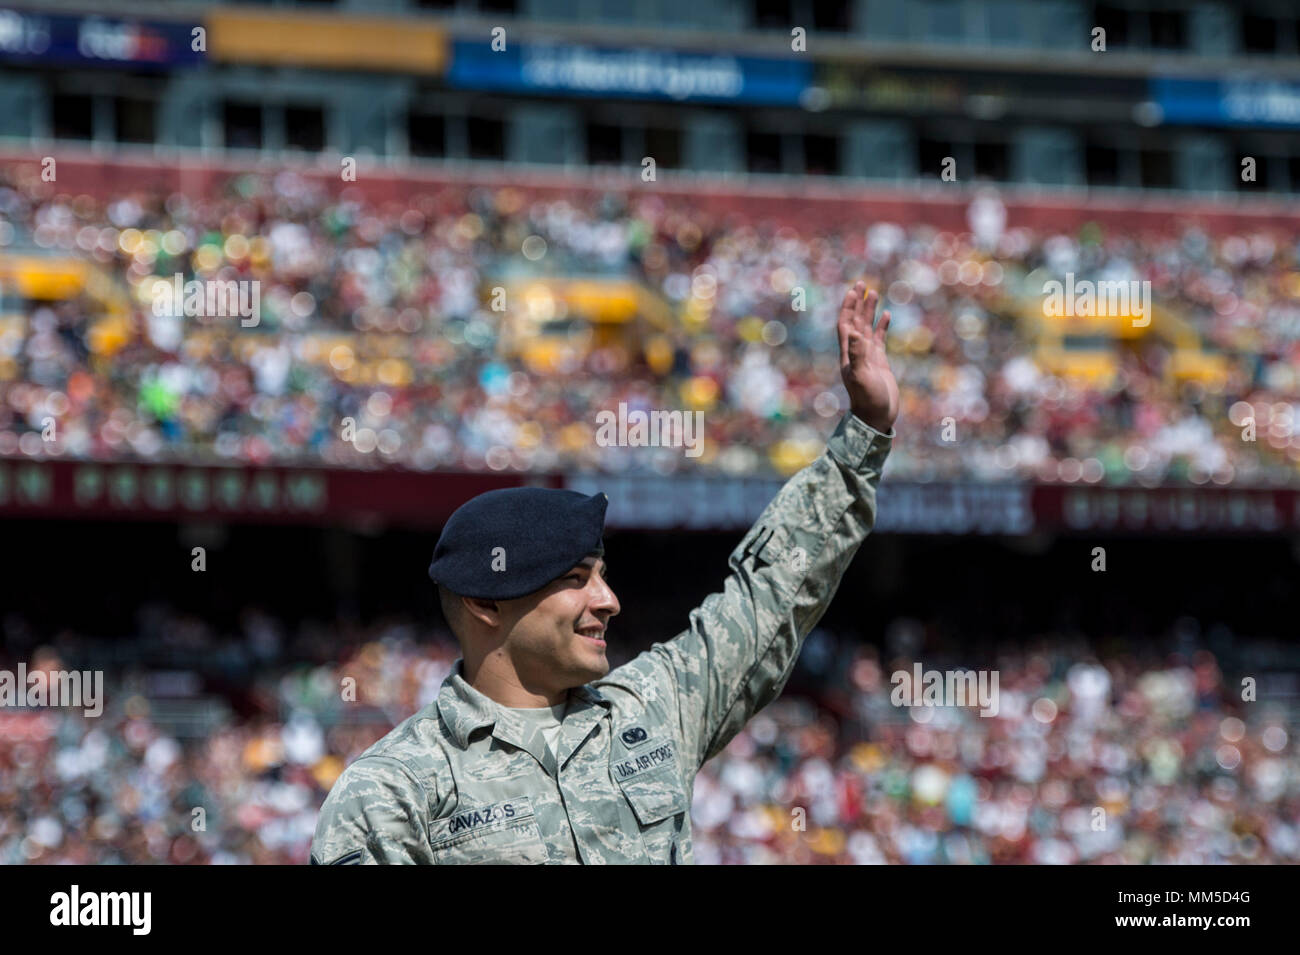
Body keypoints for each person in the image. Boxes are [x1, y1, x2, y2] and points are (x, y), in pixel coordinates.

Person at [309, 282, 899, 864]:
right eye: (575, 579)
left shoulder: (649, 709)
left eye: (603, 575)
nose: (609, 600)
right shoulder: (391, 793)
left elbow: (769, 595)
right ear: (487, 603)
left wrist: (864, 433)